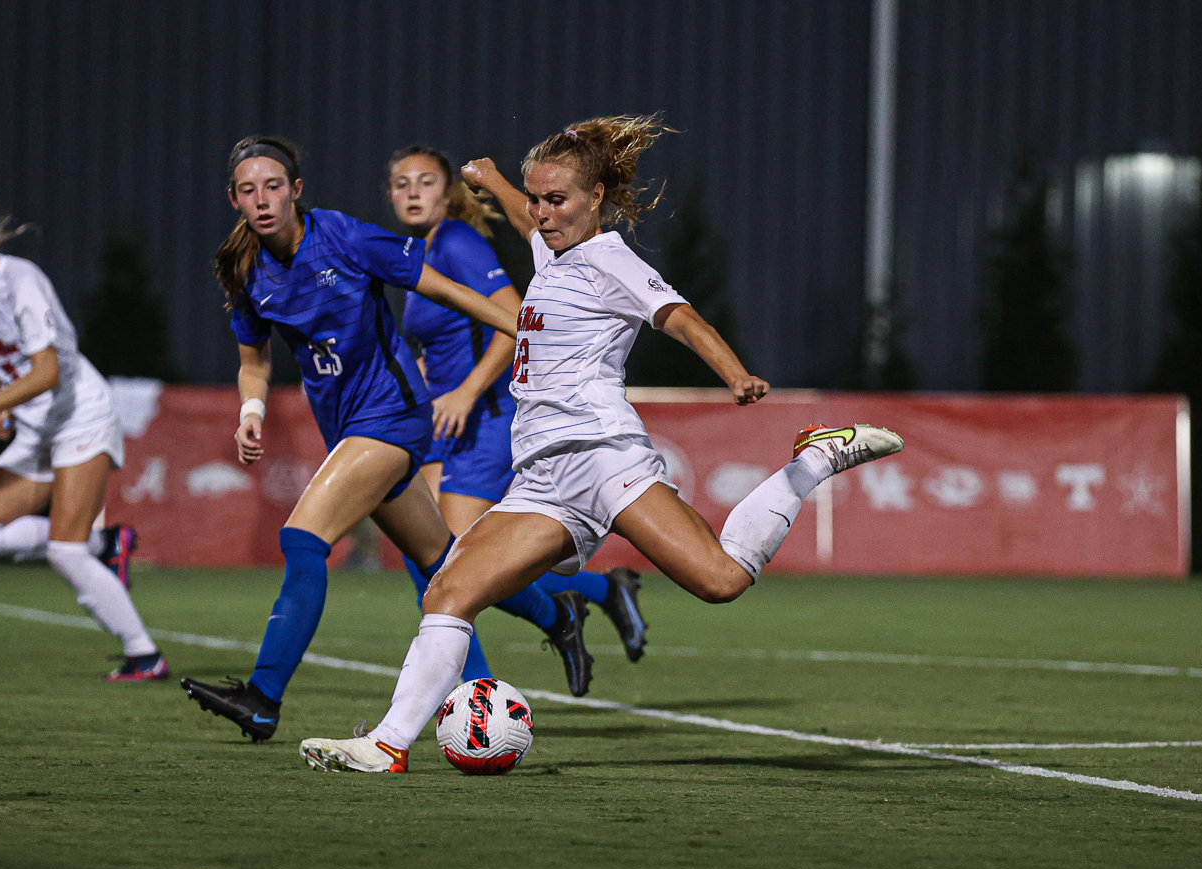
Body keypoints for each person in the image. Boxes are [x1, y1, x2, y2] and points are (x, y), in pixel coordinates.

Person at [299, 115, 904, 773]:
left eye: (555, 199)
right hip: (538, 477)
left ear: (596, 201)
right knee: (447, 592)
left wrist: (734, 374)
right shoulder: (550, 246)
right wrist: (498, 182)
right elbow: (525, 221)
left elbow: (679, 317)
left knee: (720, 579)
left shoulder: (609, 258)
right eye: (535, 197)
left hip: (599, 456)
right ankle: (386, 745)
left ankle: (814, 457)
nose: (540, 212)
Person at [179, 136, 594, 744]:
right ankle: (532, 641)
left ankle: (264, 696)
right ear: (235, 200)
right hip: (349, 430)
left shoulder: (343, 236)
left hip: (392, 418)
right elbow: (255, 359)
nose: (262, 199)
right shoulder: (246, 268)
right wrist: (250, 408)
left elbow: (443, 289)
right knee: (441, 568)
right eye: (248, 190)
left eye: (274, 186)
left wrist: (530, 330)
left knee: (302, 539)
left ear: (296, 191)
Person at [386, 145, 650, 662]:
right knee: (431, 558)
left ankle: (474, 691)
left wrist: (465, 389)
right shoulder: (424, 249)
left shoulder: (457, 242)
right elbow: (444, 343)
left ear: (449, 191)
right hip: (445, 421)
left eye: (426, 181)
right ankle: (601, 593)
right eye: (401, 183)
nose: (413, 191)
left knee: (455, 564)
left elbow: (518, 319)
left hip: (482, 415)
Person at [0, 189, 165, 682]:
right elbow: (7, 363)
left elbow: (48, 372)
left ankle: (145, 654)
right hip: (39, 427)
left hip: (81, 416)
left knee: (63, 551)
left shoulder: (21, 281)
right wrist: (5, 407)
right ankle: (104, 545)